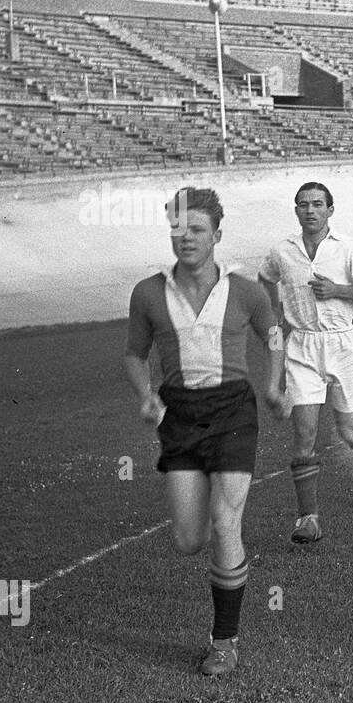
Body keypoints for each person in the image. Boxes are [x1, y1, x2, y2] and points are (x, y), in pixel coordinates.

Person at [124, 187, 289, 677]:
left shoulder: (244, 290)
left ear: (217, 235)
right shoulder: (149, 292)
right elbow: (134, 354)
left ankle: (225, 640)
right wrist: (145, 393)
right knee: (188, 540)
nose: (186, 237)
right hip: (178, 415)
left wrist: (275, 382)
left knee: (225, 522)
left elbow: (274, 333)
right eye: (177, 229)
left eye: (196, 229)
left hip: (233, 409)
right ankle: (223, 611)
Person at [259, 182, 353, 544]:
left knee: (349, 428)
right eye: (303, 205)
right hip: (301, 345)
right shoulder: (283, 251)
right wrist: (276, 310)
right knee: (304, 435)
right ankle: (308, 519)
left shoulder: (348, 248)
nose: (310, 211)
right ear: (296, 211)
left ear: (330, 210)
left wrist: (338, 291)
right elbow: (266, 277)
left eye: (318, 204)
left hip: (342, 344)